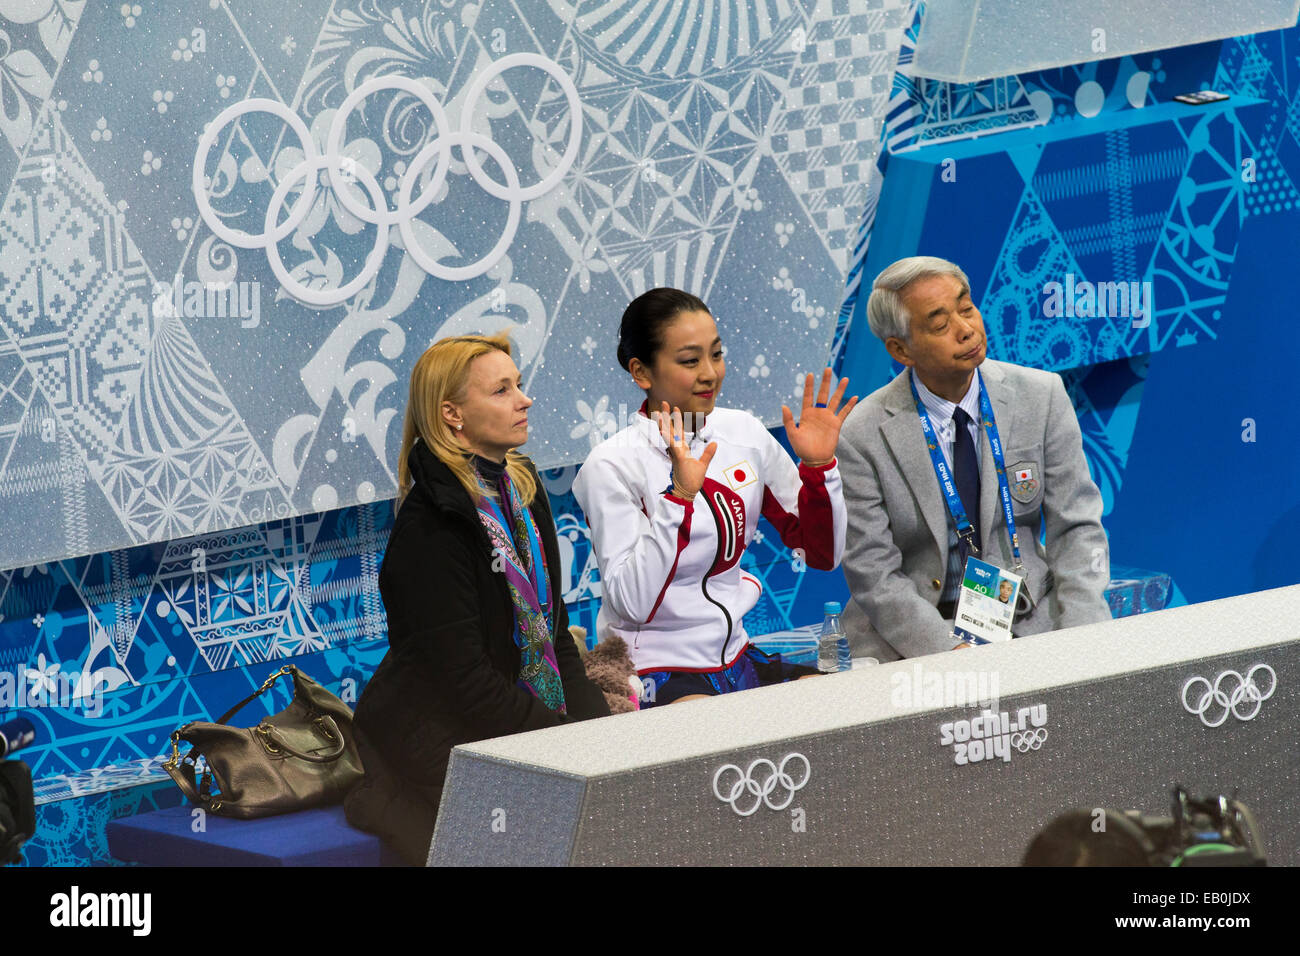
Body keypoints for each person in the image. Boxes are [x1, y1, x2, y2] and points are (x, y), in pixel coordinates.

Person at [344, 332, 609, 865]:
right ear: (452, 415)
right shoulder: (432, 528)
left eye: (520, 385)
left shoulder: (521, 487)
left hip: (515, 716)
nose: (524, 399)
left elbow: (553, 633)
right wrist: (562, 745)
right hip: (441, 734)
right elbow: (463, 682)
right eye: (501, 390)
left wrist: (602, 735)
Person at [573, 288, 856, 706]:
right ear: (641, 372)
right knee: (712, 733)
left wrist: (819, 470)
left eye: (717, 354)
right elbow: (632, 603)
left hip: (737, 656)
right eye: (690, 361)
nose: (710, 373)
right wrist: (679, 497)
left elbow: (823, 554)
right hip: (654, 669)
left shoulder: (743, 433)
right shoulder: (611, 465)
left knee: (838, 704)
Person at [836, 256, 1110, 660]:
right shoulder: (863, 433)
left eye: (966, 308)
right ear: (900, 349)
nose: (966, 330)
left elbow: (1077, 528)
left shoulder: (1042, 396)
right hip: (914, 631)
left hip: (1027, 613)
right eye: (940, 324)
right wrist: (951, 651)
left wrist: (1083, 634)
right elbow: (873, 574)